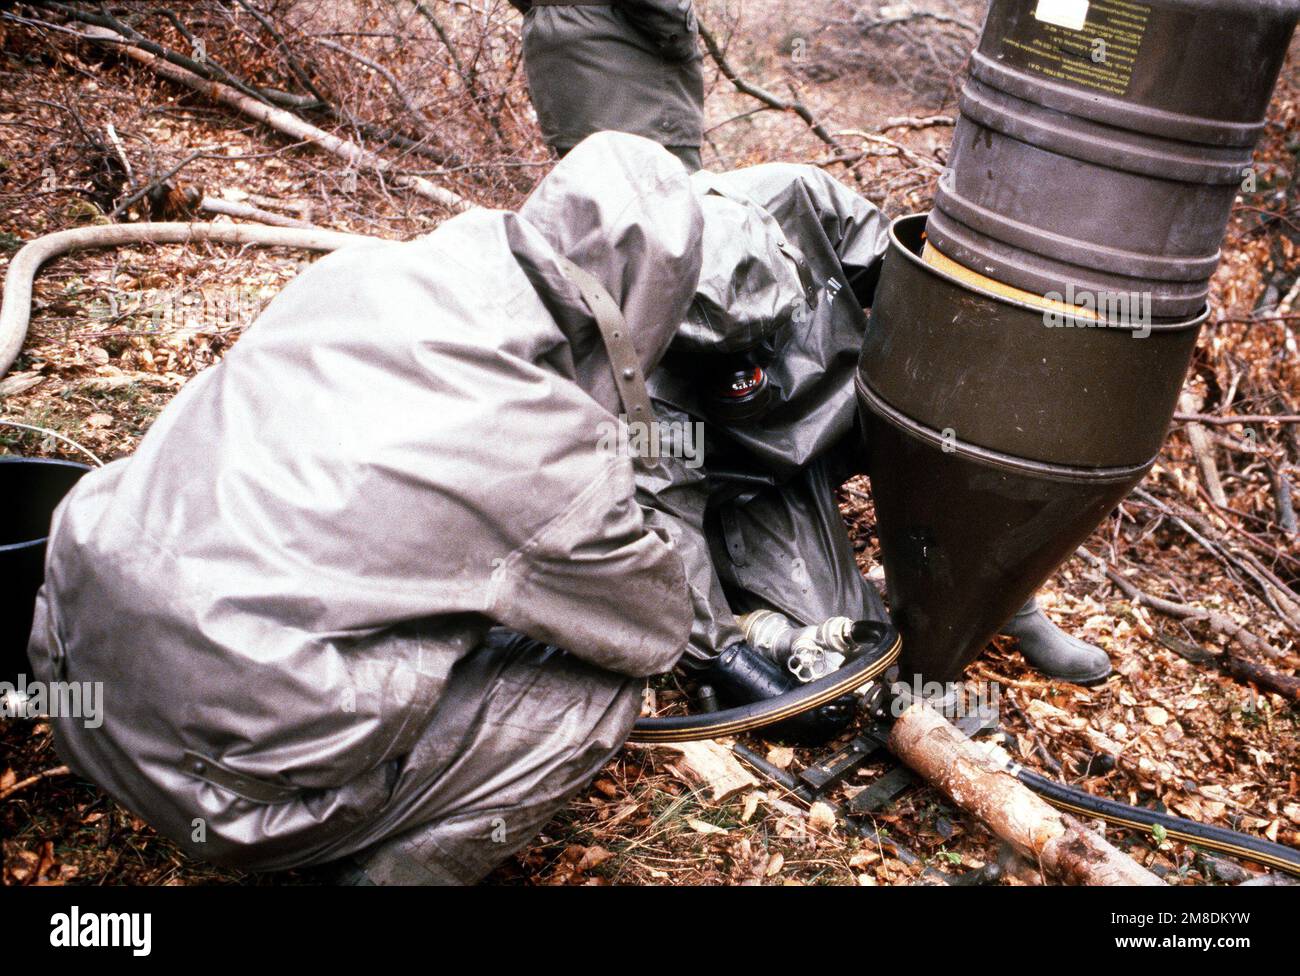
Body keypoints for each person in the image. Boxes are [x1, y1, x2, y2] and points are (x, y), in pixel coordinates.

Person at [27, 133, 721, 885]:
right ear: (651, 306)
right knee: (593, 691)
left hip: (78, 680)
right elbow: (650, 634)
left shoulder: (356, 272)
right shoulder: (550, 447)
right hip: (221, 791)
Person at [641, 163, 1114, 687]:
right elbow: (663, 514)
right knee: (851, 663)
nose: (750, 368)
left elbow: (933, 303)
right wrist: (722, 655)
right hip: (749, 478)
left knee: (973, 427)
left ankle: (1005, 603)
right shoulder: (625, 346)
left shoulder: (800, 201)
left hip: (851, 403)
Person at [509, 0, 705, 172]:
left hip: (559, 58)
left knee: (594, 198)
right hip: (632, 75)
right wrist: (683, 31)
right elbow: (669, 19)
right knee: (670, 202)